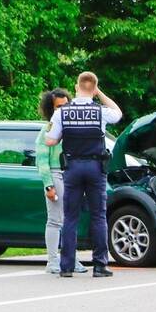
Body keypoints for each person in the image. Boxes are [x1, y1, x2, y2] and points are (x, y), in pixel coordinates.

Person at [45, 71, 123, 277]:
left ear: (76, 88)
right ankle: (99, 266)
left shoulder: (62, 112)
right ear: (94, 89)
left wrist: (64, 133)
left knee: (70, 217)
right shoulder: (101, 111)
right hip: (96, 168)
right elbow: (118, 113)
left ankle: (67, 267)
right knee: (98, 216)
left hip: (72, 167)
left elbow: (50, 141)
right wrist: (100, 93)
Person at [34, 89, 88, 275]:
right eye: (59, 106)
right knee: (56, 220)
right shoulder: (47, 130)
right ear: (51, 108)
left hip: (72, 176)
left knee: (71, 220)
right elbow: (41, 160)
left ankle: (71, 259)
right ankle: (53, 260)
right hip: (56, 175)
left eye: (66, 106)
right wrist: (48, 185)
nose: (63, 109)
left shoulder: (72, 129)